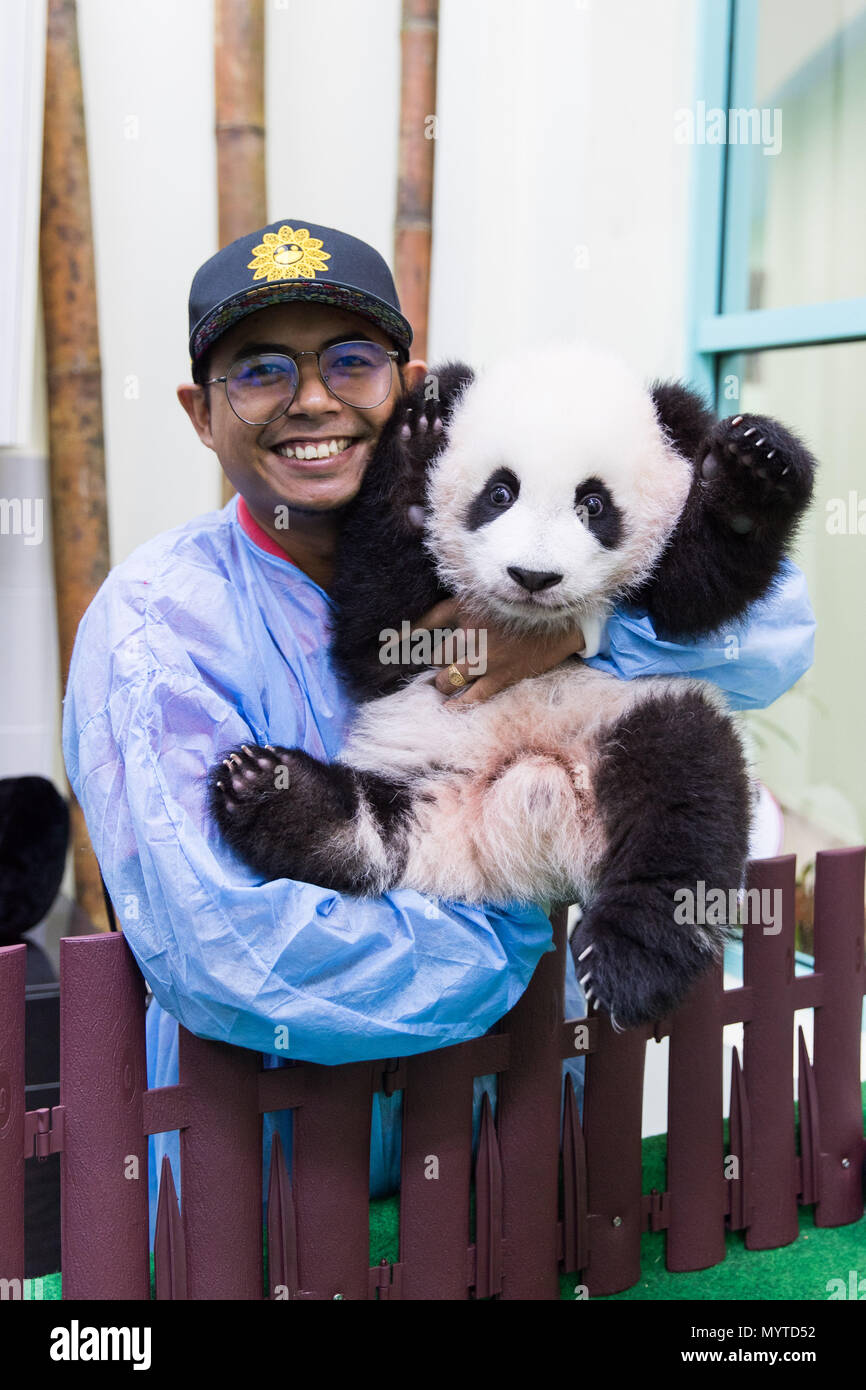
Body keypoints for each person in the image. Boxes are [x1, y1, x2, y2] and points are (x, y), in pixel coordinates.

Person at [61, 219, 816, 1231]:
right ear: (202, 413)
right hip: (264, 1173)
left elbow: (770, 634)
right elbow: (227, 955)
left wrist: (576, 631)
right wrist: (512, 896)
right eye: (261, 370)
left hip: (518, 1153)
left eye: (350, 361)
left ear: (411, 386)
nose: (313, 400)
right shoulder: (157, 621)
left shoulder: (508, 532)